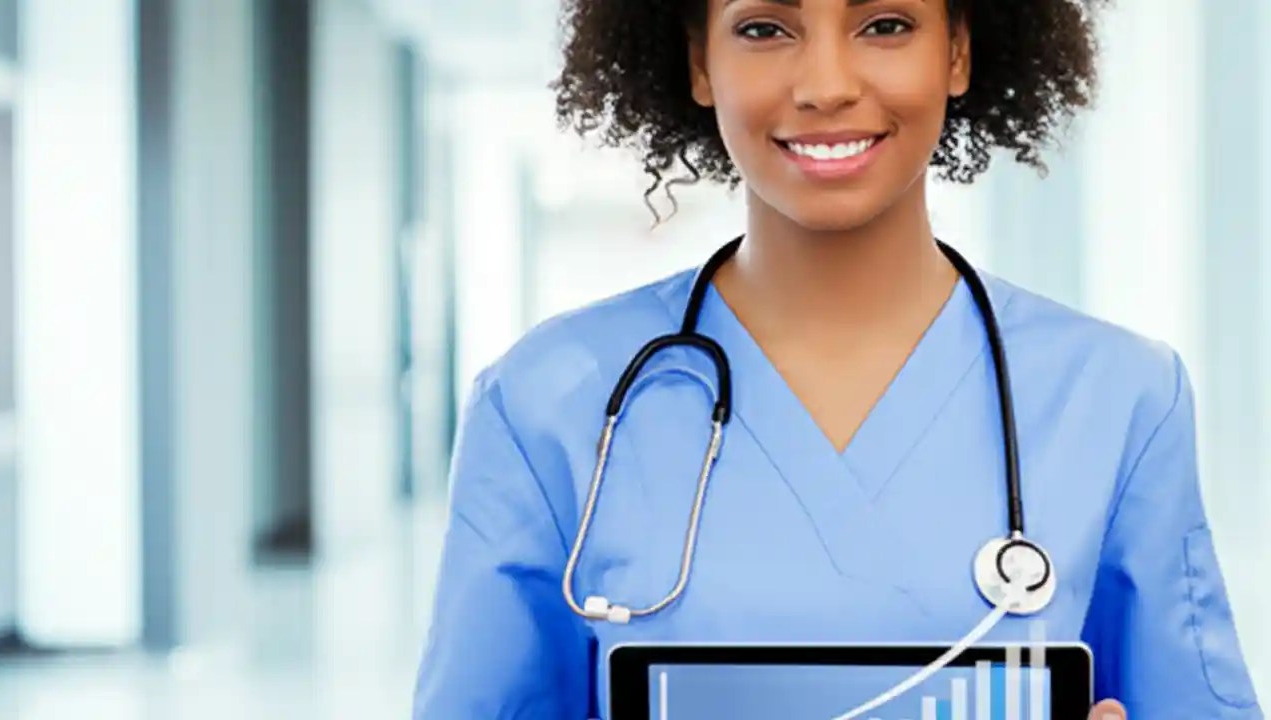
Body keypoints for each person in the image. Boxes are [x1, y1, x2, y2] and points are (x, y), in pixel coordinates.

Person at [412, 0, 1264, 718]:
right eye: (764, 29)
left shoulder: (1118, 398)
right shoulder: (544, 403)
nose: (826, 85)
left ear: (958, 50)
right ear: (698, 63)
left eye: (886, 23)